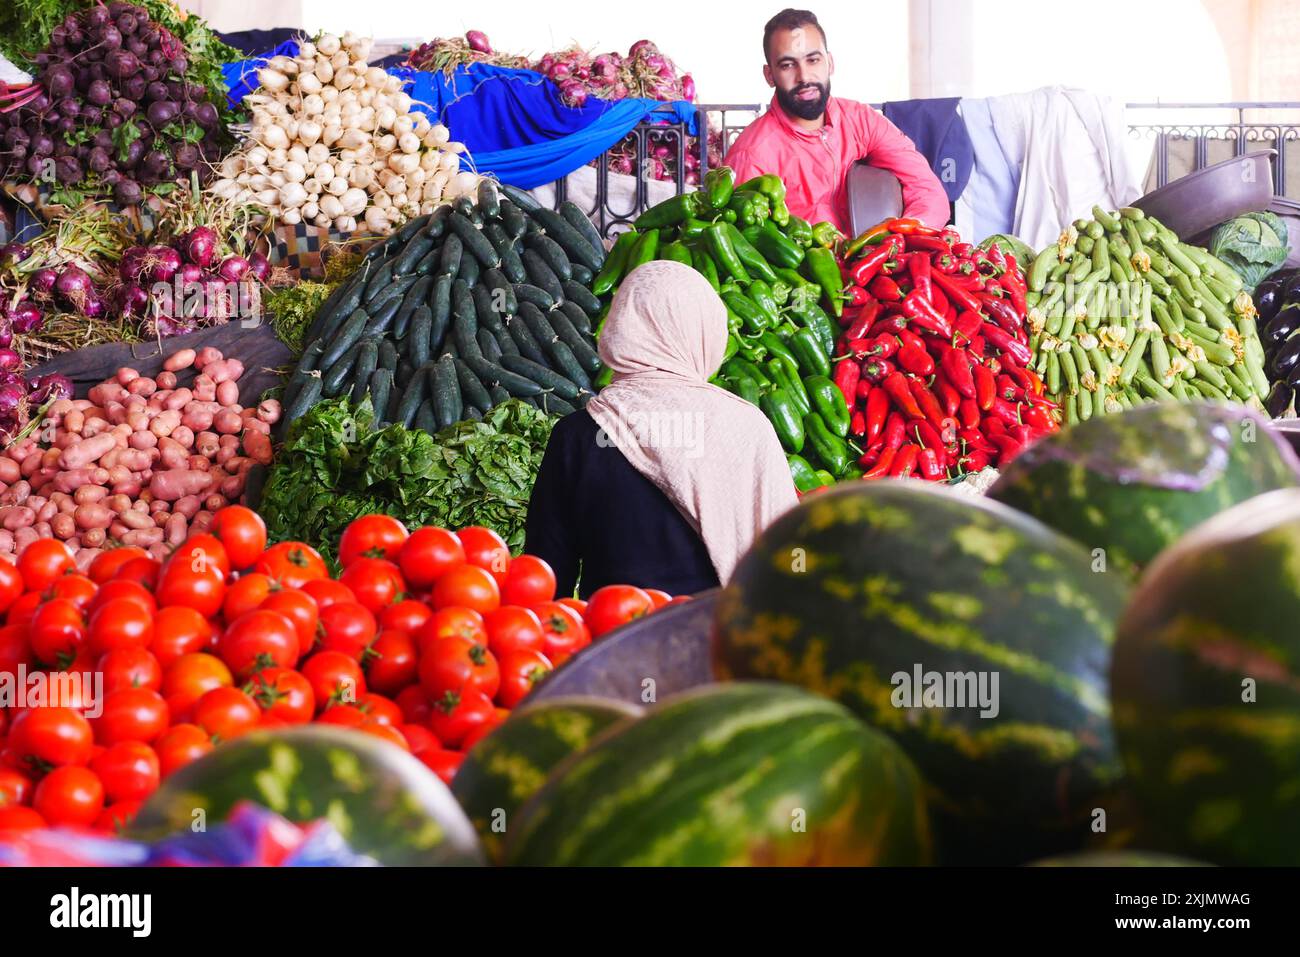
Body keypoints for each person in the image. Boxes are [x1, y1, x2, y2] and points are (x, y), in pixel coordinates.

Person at [525, 261, 798, 599]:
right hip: (718, 644)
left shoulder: (577, 435)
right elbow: (790, 565)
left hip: (612, 642)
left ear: (619, 327)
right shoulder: (746, 429)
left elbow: (545, 577)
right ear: (705, 332)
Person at [724, 8, 949, 235]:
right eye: (787, 65)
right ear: (769, 75)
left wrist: (901, 240)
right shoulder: (751, 155)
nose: (804, 76)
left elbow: (926, 190)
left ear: (830, 63)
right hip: (806, 269)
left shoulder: (859, 119)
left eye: (813, 60)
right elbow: (749, 246)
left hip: (875, 262)